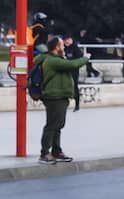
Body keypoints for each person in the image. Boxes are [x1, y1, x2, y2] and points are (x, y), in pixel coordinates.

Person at [32, 36, 90, 164]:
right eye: (62, 45)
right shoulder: (52, 61)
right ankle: (44, 153)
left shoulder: (57, 59)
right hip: (54, 96)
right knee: (52, 125)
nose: (64, 47)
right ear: (56, 47)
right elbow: (73, 64)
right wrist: (85, 58)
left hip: (60, 96)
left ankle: (56, 151)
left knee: (58, 125)